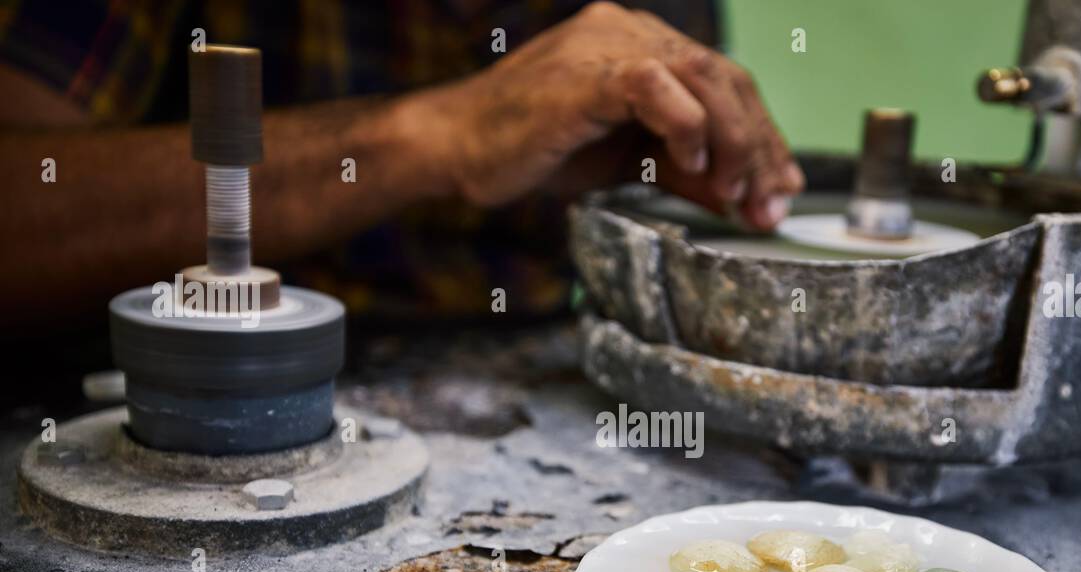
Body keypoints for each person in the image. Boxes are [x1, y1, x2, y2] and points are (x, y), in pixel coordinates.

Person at [0, 0, 802, 330]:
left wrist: (664, 171)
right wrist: (437, 136)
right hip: (188, 379)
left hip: (532, 384)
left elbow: (659, 168)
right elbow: (23, 209)